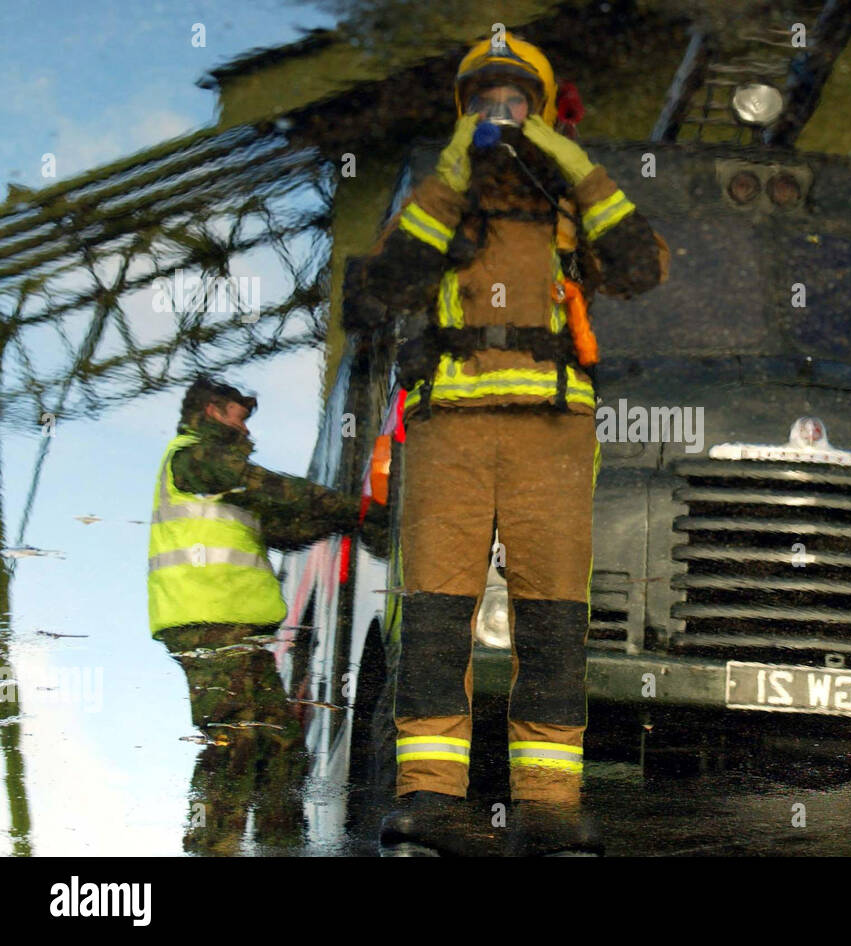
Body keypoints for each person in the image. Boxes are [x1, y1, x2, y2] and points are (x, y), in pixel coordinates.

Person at [352, 31, 667, 855]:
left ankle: (551, 806)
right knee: (434, 620)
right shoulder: (438, 199)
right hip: (448, 431)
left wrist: (573, 160)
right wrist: (455, 168)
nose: (501, 113)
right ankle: (430, 800)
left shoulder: (571, 204)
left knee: (554, 623)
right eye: (484, 101)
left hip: (553, 438)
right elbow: (383, 285)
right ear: (463, 113)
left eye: (515, 101)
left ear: (542, 109)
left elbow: (641, 264)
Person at [148, 376, 387, 852]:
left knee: (279, 745)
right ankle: (210, 847)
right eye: (241, 415)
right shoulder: (195, 456)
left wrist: (350, 517)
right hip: (204, 622)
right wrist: (357, 508)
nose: (248, 427)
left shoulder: (221, 476)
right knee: (235, 738)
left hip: (233, 625)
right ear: (214, 411)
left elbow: (284, 525)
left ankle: (282, 846)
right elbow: (272, 490)